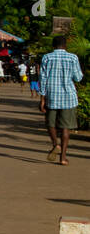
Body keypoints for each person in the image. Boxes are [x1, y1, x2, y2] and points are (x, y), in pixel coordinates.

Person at [38, 35, 83, 166]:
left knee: (50, 123)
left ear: (53, 45)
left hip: (52, 96)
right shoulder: (73, 58)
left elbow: (43, 79)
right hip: (69, 97)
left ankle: (55, 144)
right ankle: (63, 158)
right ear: (65, 45)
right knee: (65, 128)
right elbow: (78, 77)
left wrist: (42, 99)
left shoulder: (47, 57)